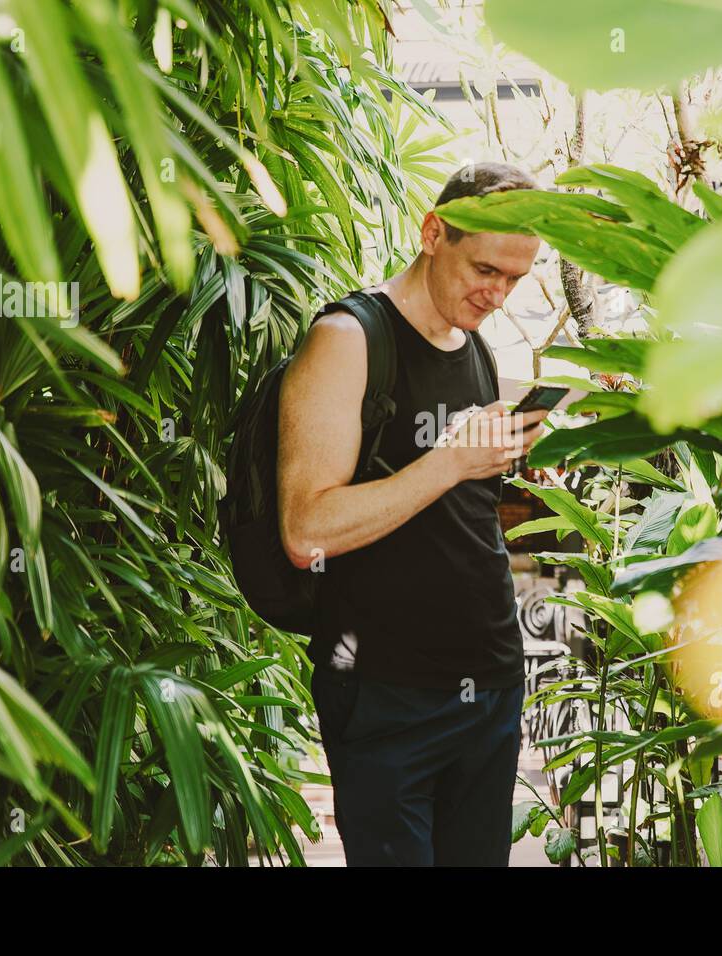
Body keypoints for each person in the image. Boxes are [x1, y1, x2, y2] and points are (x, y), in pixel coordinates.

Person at [277, 161, 547, 866]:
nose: (499, 293)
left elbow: (451, 517)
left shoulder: (476, 346)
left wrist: (496, 461)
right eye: (487, 269)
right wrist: (451, 461)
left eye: (516, 280)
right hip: (386, 690)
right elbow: (307, 530)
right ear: (433, 233)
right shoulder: (350, 338)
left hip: (488, 683)